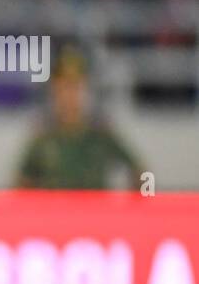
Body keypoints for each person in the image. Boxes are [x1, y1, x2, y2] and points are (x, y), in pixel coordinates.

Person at [15, 49, 144, 189]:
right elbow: (21, 184)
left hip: (96, 209)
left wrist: (136, 205)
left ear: (86, 89)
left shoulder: (102, 133)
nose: (69, 95)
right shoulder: (43, 136)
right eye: (63, 87)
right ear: (53, 91)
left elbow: (142, 173)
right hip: (55, 210)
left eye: (76, 87)